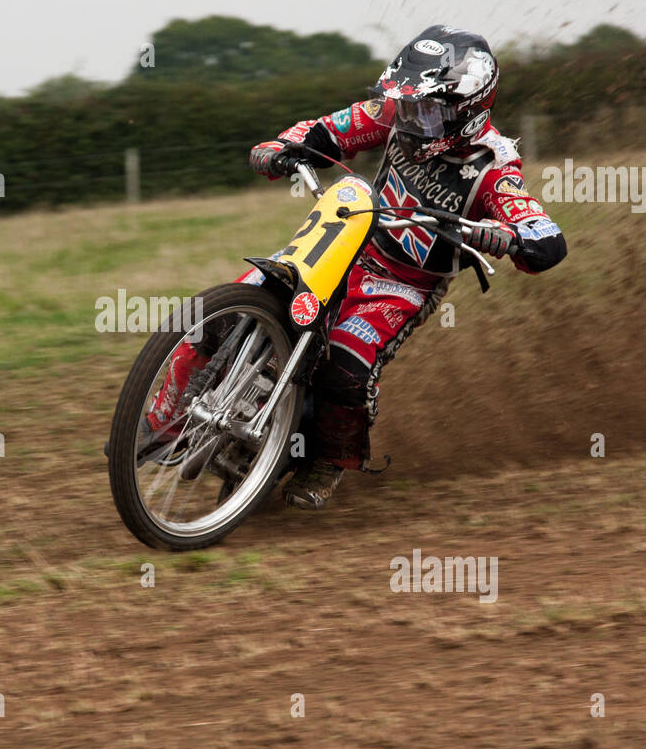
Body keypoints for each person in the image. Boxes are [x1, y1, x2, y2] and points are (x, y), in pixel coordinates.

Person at [149, 25, 567, 509]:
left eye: (427, 110)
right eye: (408, 105)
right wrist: (285, 146)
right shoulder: (397, 112)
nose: (410, 119)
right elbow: (329, 130)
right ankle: (162, 419)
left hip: (402, 284)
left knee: (345, 366)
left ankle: (328, 461)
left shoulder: (493, 167)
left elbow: (544, 234)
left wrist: (510, 236)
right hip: (342, 243)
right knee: (222, 314)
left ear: (467, 111)